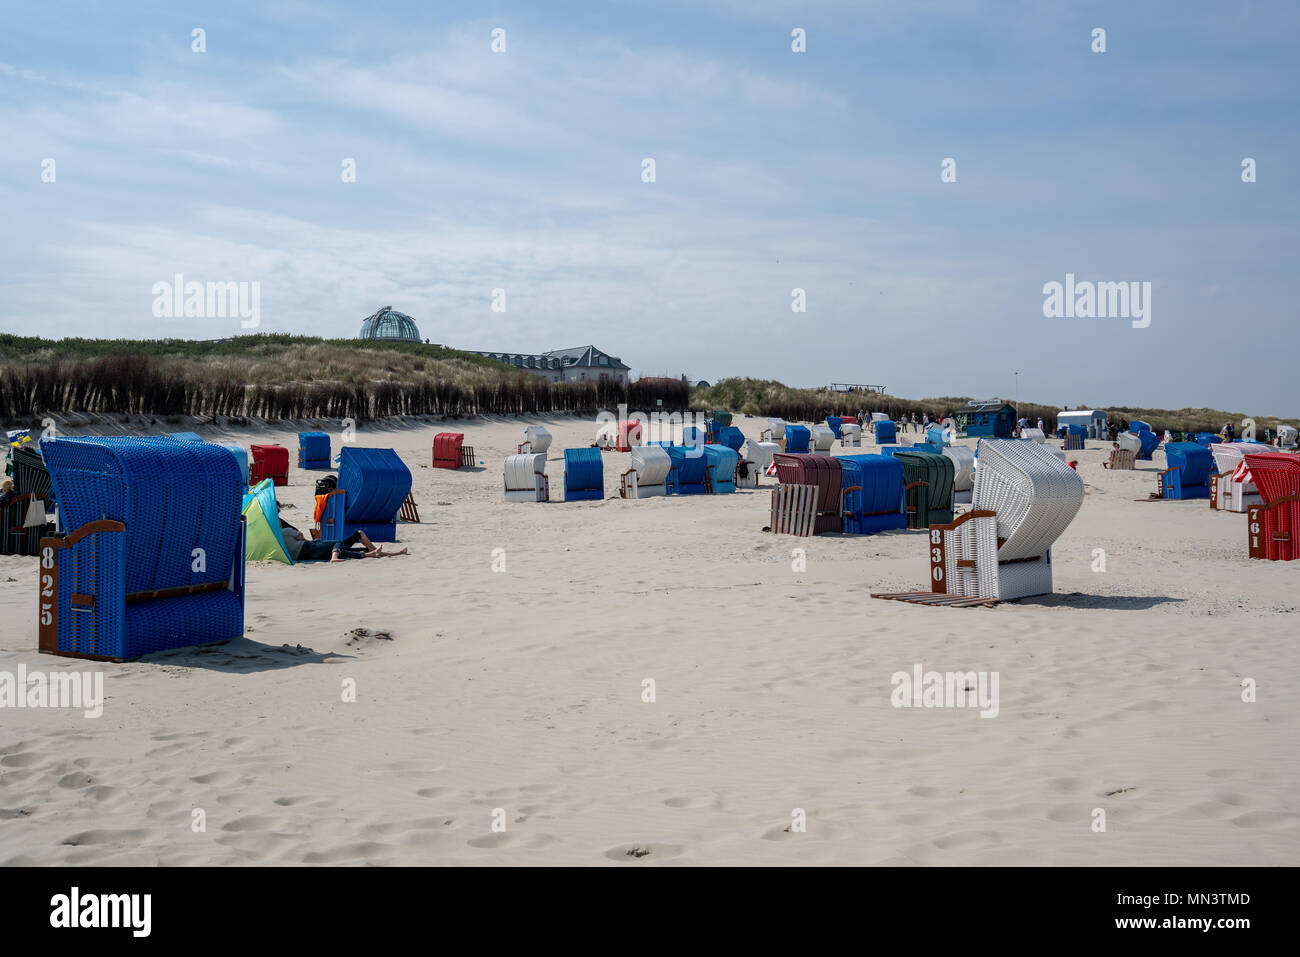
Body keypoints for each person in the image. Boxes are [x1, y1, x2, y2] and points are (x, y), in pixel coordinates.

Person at [280, 520, 408, 563]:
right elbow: (303, 539)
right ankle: (334, 557)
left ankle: (392, 553)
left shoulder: (277, 541)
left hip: (307, 553)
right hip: (308, 547)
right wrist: (301, 535)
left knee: (349, 550)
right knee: (337, 542)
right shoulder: (286, 531)